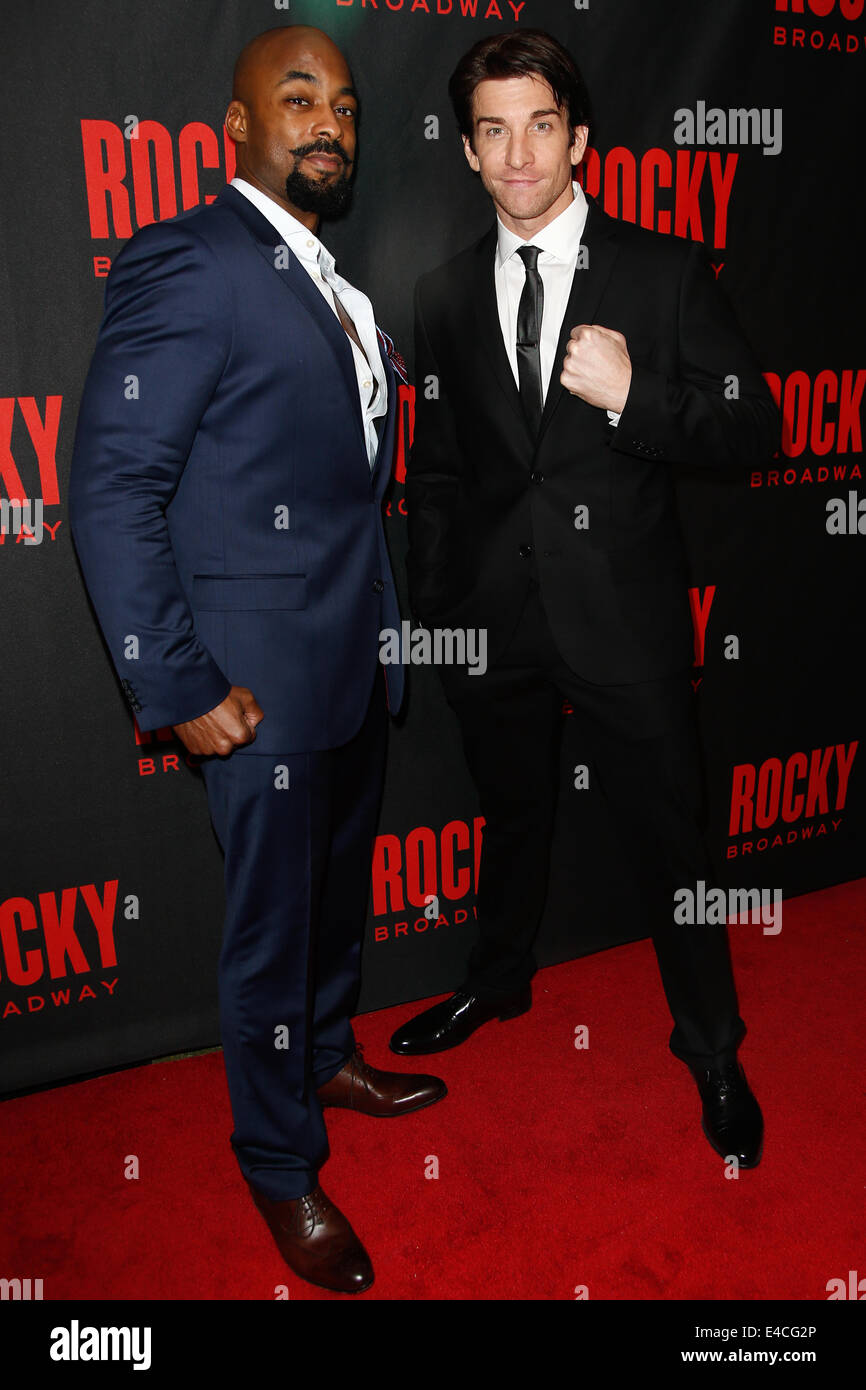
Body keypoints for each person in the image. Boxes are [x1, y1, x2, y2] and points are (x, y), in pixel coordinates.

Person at [69, 24, 445, 1295]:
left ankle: (327, 1052)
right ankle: (280, 1165)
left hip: (346, 672)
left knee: (331, 914)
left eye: (342, 102)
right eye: (296, 98)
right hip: (249, 690)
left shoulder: (326, 279)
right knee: (266, 936)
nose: (326, 120)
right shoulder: (191, 259)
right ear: (235, 124)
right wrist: (174, 686)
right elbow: (114, 487)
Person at [391, 29, 780, 1169]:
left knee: (675, 845)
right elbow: (439, 474)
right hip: (496, 627)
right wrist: (436, 616)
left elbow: (753, 426)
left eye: (539, 125)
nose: (517, 154)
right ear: (466, 152)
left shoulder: (661, 271)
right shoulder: (442, 292)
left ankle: (711, 1044)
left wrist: (634, 395)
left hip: (625, 626)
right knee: (510, 822)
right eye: (493, 130)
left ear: (581, 140)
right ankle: (496, 984)